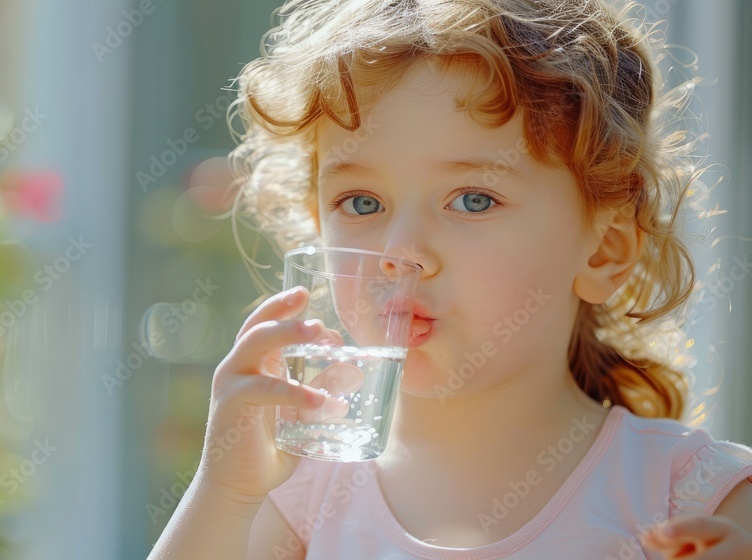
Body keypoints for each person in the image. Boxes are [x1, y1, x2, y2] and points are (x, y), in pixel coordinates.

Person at [149, 0, 752, 558]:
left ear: (603, 251)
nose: (400, 252)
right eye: (361, 203)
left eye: (471, 200)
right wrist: (224, 489)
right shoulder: (297, 496)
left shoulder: (694, 497)